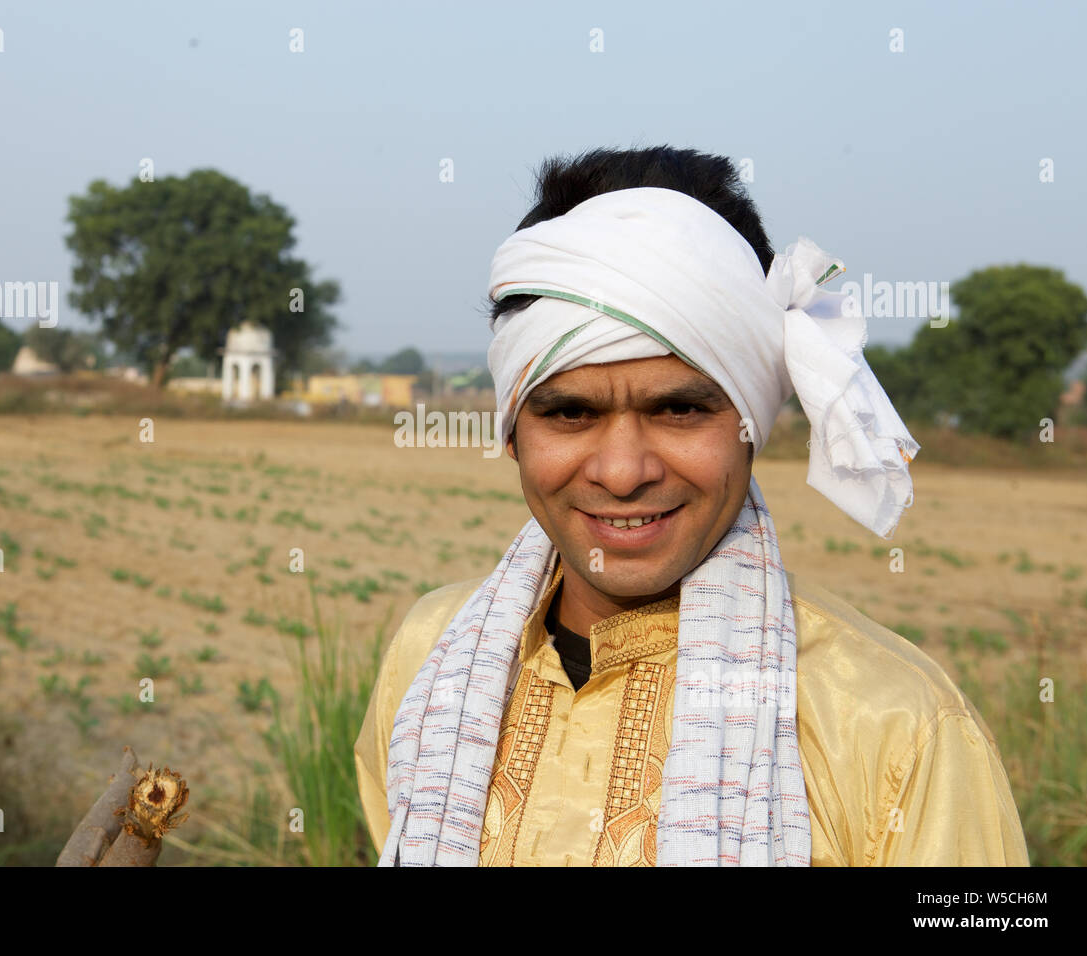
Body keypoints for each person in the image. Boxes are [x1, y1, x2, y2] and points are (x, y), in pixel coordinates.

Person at [353, 146, 1028, 867]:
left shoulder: (895, 723)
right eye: (570, 413)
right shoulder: (433, 655)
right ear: (513, 434)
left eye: (679, 409)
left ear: (751, 426)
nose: (622, 472)